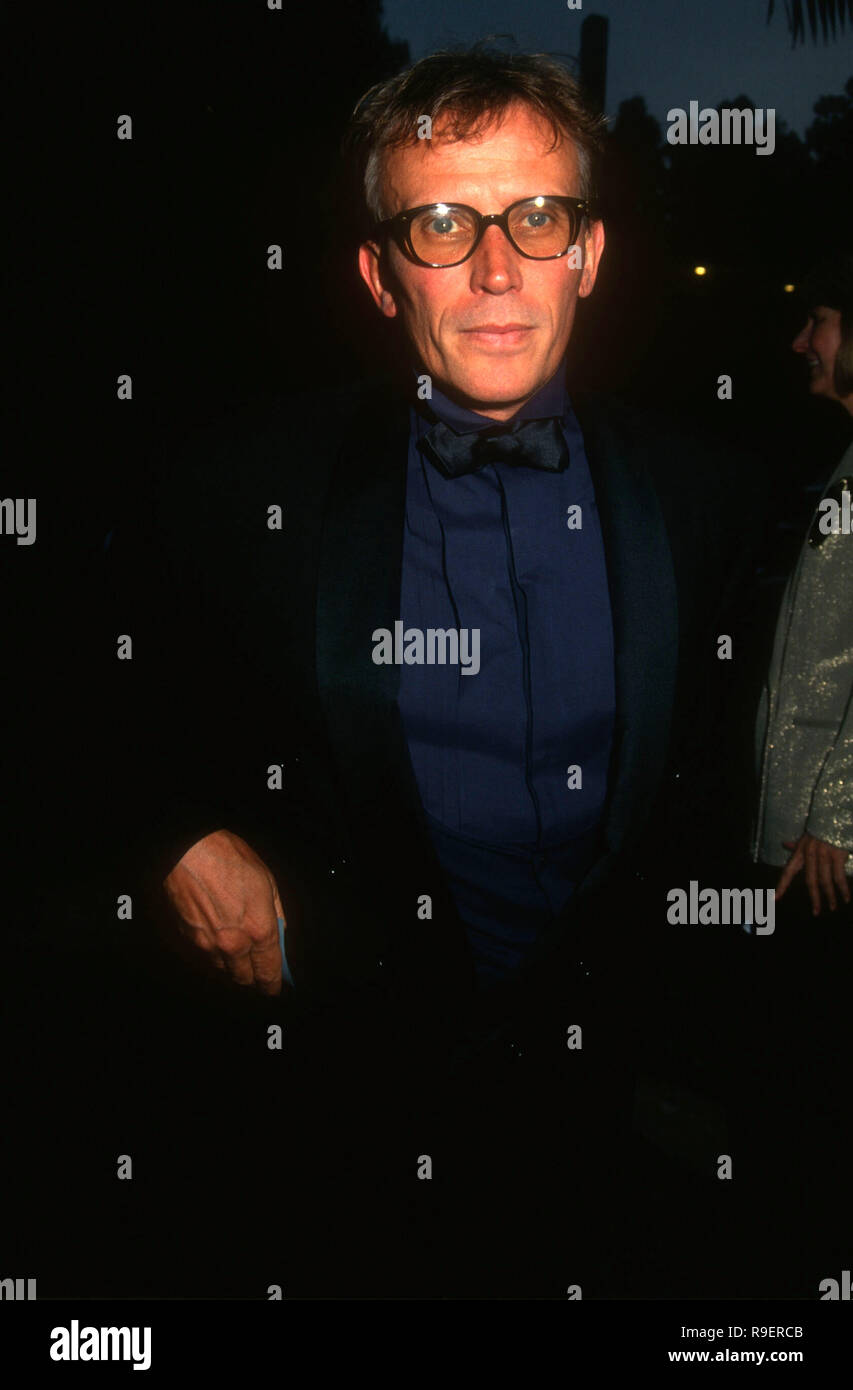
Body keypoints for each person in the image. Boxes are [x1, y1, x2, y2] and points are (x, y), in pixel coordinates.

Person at [106, 47, 760, 1080]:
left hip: (627, 1060)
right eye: (444, 225)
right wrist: (178, 837)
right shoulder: (246, 485)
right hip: (352, 1055)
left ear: (588, 255)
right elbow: (81, 674)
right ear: (381, 276)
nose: (497, 271)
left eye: (537, 218)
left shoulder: (710, 496)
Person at [753, 252, 853, 913]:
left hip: (829, 854)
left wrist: (840, 815)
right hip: (811, 840)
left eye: (817, 320)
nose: (800, 343)